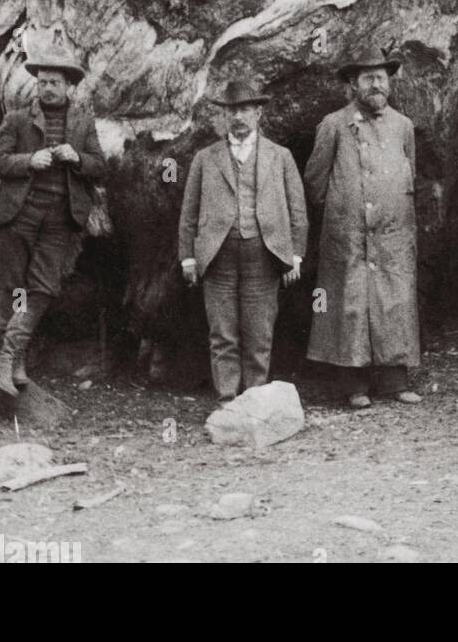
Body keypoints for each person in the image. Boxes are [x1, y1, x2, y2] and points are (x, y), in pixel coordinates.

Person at [0, 40, 105, 395]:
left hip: (59, 218)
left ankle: (7, 355)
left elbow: (100, 168)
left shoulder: (83, 123)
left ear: (69, 86)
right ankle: (15, 360)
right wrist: (27, 161)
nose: (47, 88)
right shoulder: (18, 119)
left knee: (44, 287)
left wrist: (76, 158)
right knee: (18, 287)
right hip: (20, 214)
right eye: (42, 82)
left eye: (54, 82)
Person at [304, 47, 422, 408]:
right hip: (349, 236)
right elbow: (315, 182)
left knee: (395, 302)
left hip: (393, 236)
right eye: (368, 78)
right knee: (349, 305)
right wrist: (347, 211)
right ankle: (353, 385)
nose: (376, 84)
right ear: (353, 84)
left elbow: (410, 175)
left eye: (381, 77)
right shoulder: (333, 125)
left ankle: (394, 381)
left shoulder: (403, 126)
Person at [178, 81, 307, 402]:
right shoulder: (205, 158)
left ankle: (255, 400)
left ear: (258, 113)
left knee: (259, 332)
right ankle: (226, 400)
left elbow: (297, 210)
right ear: (223, 116)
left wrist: (295, 255)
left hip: (264, 255)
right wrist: (188, 258)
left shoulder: (281, 157)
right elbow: (189, 213)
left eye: (245, 109)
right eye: (231, 110)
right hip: (217, 256)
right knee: (222, 332)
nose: (238, 116)